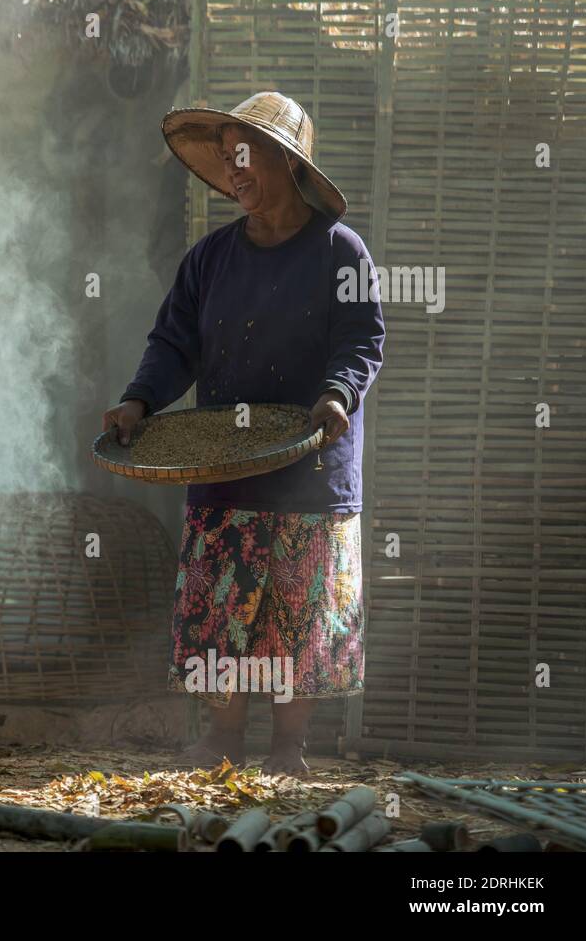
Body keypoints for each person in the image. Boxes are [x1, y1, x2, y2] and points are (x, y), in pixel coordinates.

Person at [103, 92, 385, 776]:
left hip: (310, 462)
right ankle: (223, 737)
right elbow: (173, 344)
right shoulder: (210, 260)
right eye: (226, 157)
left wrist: (336, 395)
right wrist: (138, 401)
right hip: (223, 459)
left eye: (246, 153)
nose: (233, 169)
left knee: (297, 608)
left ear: (288, 162)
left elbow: (361, 340)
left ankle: (289, 746)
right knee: (220, 601)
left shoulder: (339, 252)